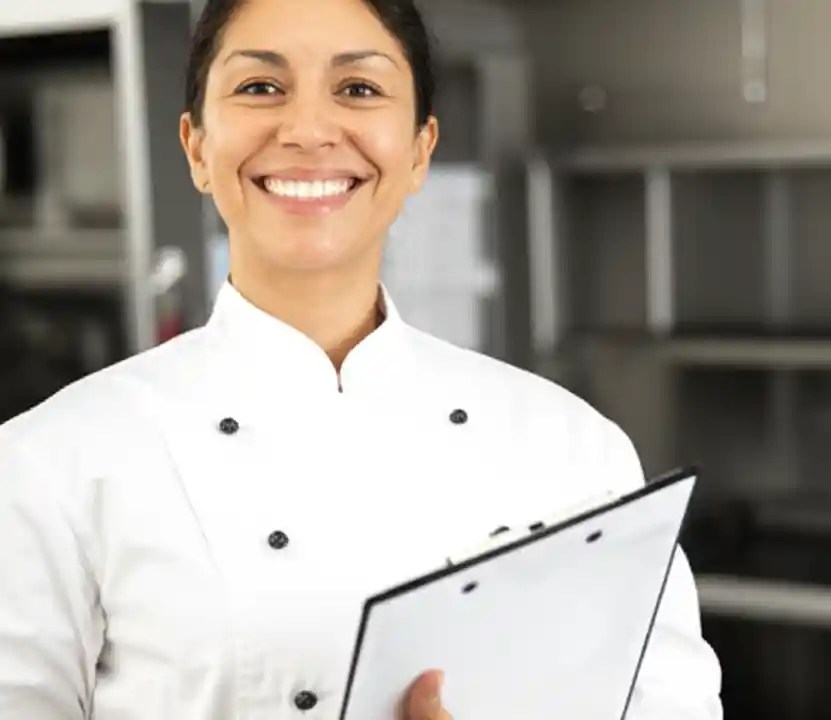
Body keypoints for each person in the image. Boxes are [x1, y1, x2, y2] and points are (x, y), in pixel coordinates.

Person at [0, 0, 724, 717]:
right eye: (260, 87)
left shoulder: (572, 449)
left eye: (358, 89)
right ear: (196, 148)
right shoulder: (50, 464)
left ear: (418, 152)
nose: (309, 130)